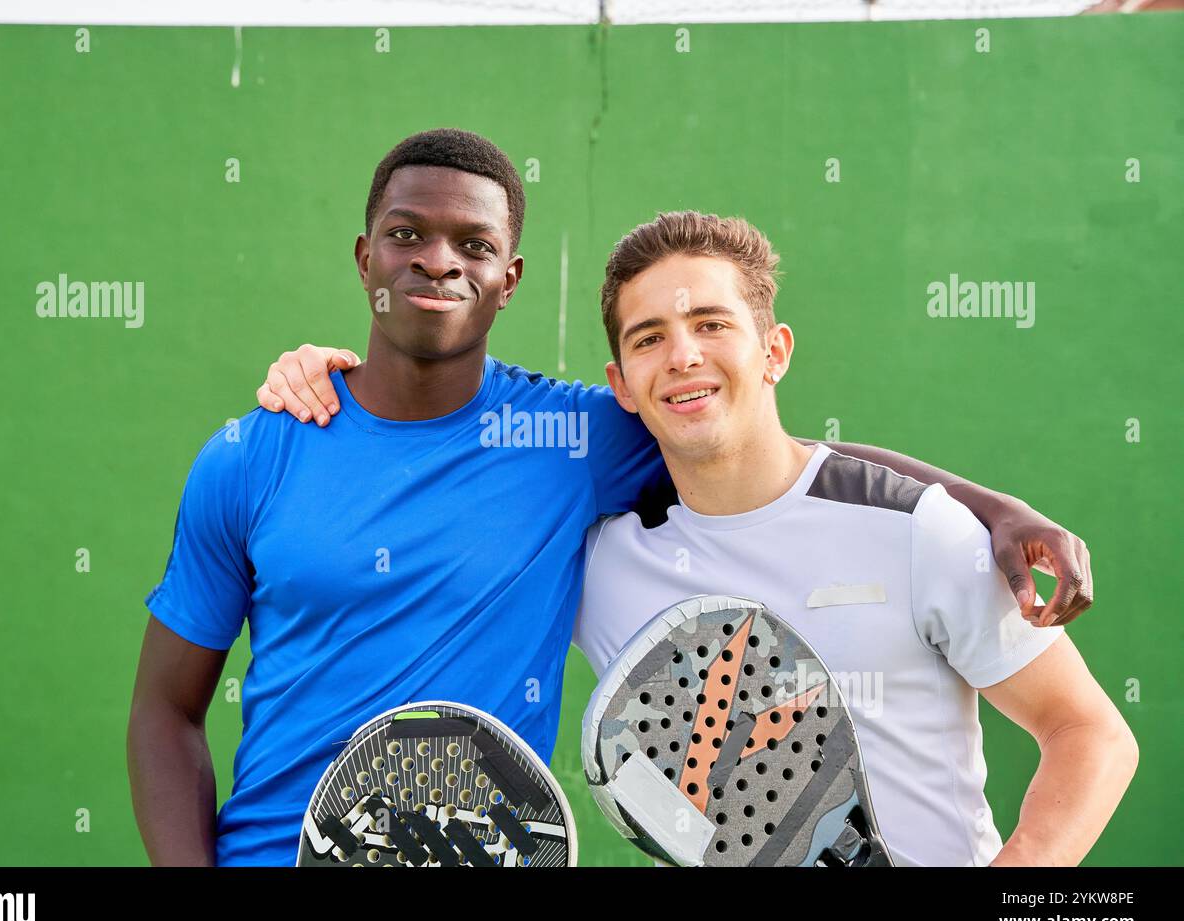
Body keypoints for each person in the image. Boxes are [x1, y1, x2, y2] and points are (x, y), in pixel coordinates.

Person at [131, 128, 1091, 867]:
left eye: (473, 243)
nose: (436, 261)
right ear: (364, 256)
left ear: (508, 279)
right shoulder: (252, 455)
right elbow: (166, 713)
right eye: (406, 235)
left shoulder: (573, 438)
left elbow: (780, 447)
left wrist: (993, 509)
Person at [569, 212, 1135, 865]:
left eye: (711, 324)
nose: (683, 355)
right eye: (648, 338)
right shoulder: (605, 568)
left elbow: (1089, 733)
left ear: (774, 351)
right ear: (622, 387)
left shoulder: (918, 529)